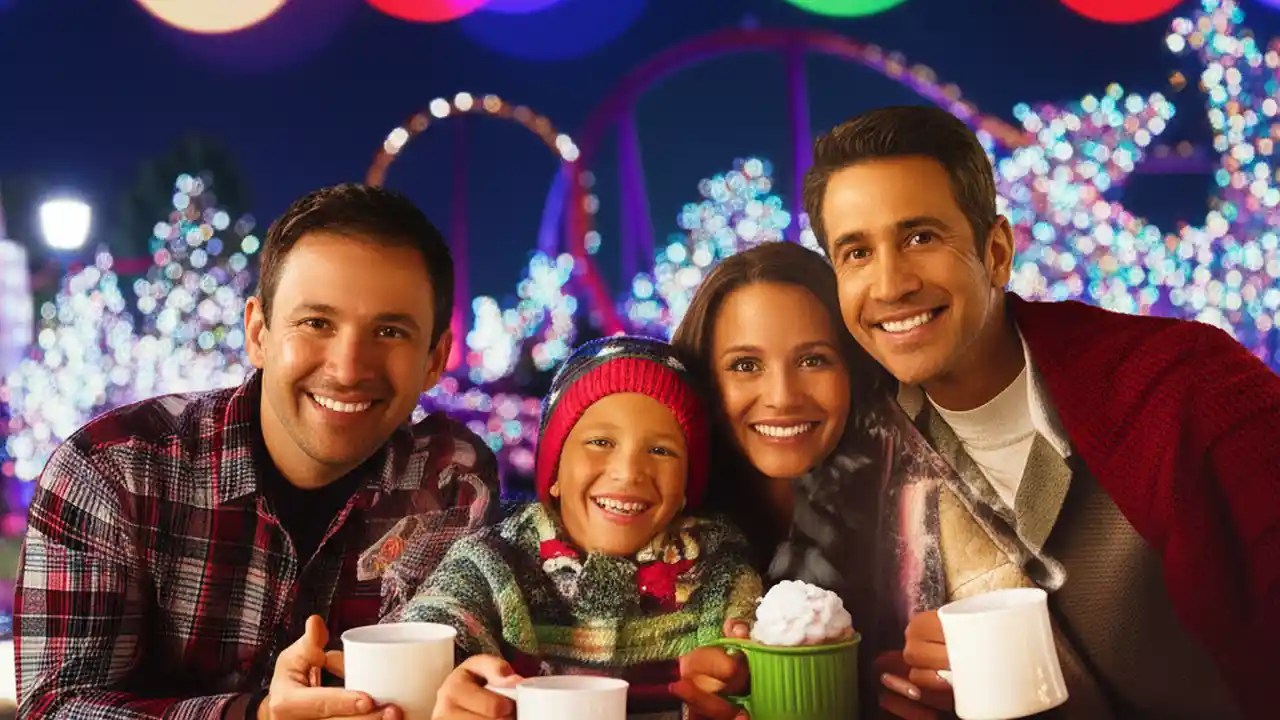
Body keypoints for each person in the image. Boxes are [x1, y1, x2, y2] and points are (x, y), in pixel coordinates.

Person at [798, 105, 1278, 719]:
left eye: (921, 238)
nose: (890, 285)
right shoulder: (861, 452)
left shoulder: (1187, 385)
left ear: (996, 251)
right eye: (856, 253)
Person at [14, 184, 502, 719]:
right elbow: (56, 709)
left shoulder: (453, 482)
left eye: (389, 331)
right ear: (257, 332)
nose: (348, 369)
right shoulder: (112, 470)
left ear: (434, 359)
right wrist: (258, 715)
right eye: (316, 323)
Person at [381, 335, 760, 720]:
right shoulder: (494, 560)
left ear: (685, 487)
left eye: (660, 450)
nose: (628, 472)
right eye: (601, 442)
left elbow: (753, 656)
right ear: (555, 473)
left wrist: (747, 685)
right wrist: (446, 683)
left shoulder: (719, 573)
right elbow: (434, 625)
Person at [667, 241, 951, 719]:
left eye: (813, 360)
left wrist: (962, 690)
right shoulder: (666, 528)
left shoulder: (922, 509)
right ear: (707, 383)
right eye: (746, 365)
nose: (782, 397)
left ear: (853, 370)